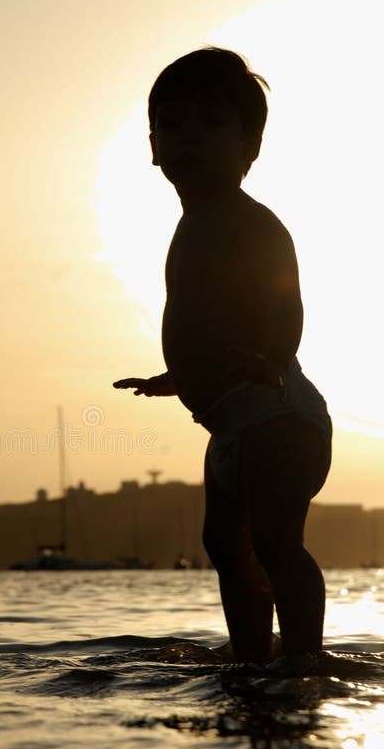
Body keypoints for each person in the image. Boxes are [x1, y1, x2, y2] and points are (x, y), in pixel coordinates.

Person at [114, 48, 331, 663]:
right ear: (153, 145)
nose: (189, 137)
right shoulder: (190, 227)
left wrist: (272, 356)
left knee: (275, 541)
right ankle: (252, 657)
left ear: (249, 146)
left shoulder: (249, 222)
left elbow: (286, 301)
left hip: (279, 412)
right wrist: (179, 377)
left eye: (211, 123)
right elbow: (202, 321)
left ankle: (302, 662)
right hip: (233, 422)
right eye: (174, 124)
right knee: (222, 543)